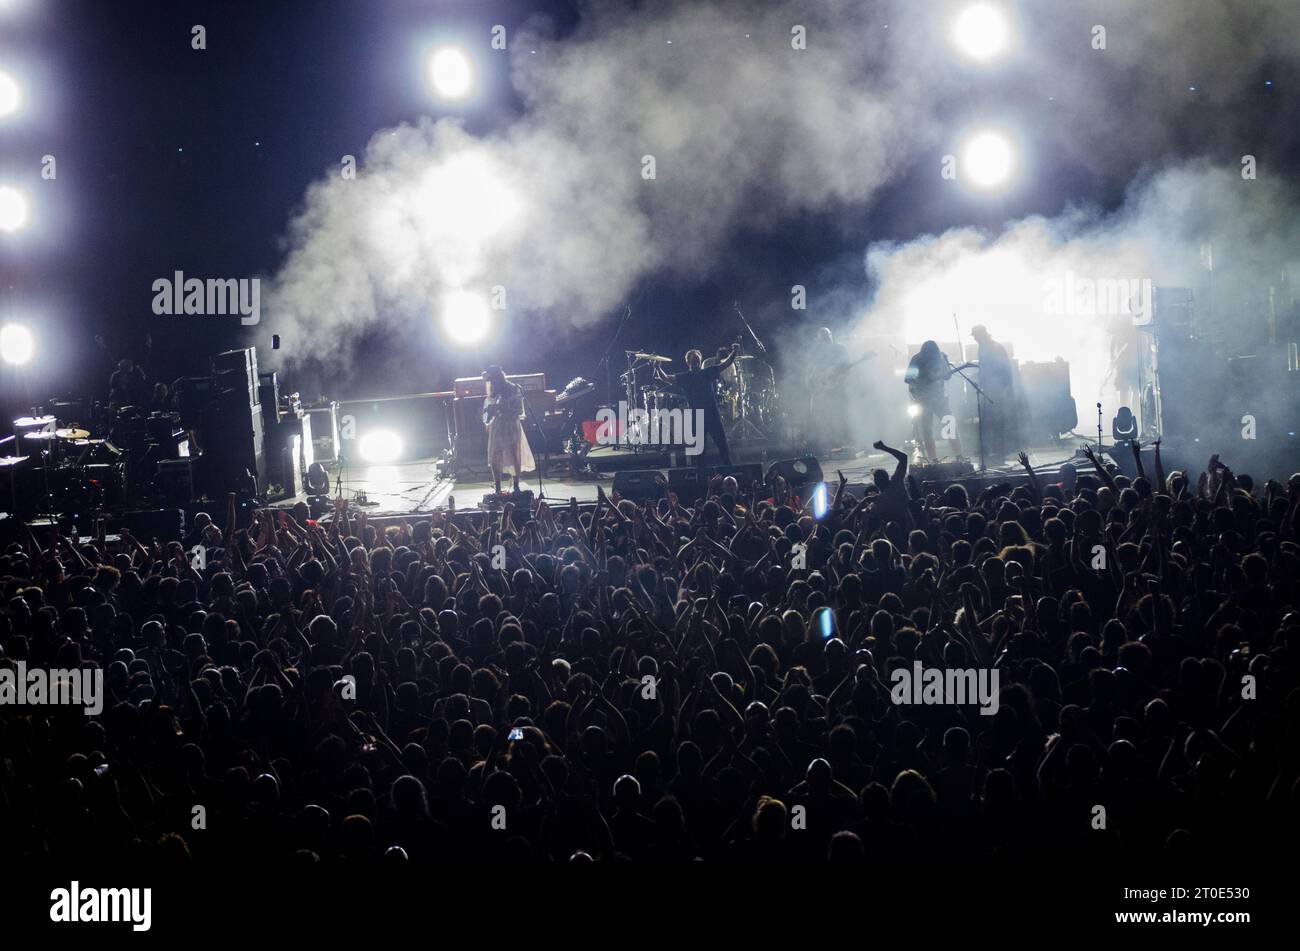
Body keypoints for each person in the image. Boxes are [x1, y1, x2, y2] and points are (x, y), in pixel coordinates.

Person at [655, 344, 738, 466]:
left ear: (700, 360)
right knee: (700, 452)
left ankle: (729, 471)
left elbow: (726, 364)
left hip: (712, 415)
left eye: (697, 359)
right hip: (697, 417)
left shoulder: (707, 372)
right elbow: (666, 378)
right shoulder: (685, 377)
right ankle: (702, 475)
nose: (696, 361)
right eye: (693, 359)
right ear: (688, 362)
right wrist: (658, 368)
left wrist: (734, 351)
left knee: (723, 447)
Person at [904, 340, 963, 463]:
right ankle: (933, 460)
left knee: (950, 425)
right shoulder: (917, 360)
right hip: (923, 399)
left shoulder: (941, 358)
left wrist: (944, 368)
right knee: (927, 431)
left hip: (939, 398)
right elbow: (908, 378)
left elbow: (947, 376)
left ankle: (959, 456)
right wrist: (924, 378)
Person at [481, 365, 535, 496]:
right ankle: (498, 488)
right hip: (497, 425)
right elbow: (487, 413)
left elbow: (519, 411)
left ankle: (516, 486)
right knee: (495, 455)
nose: (490, 382)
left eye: (492, 379)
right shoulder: (492, 389)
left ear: (498, 376)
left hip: (511, 424)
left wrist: (503, 408)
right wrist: (490, 413)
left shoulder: (513, 388)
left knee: (514, 454)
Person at [970, 325, 1017, 461]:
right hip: (990, 389)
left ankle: (1000, 450)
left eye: (975, 335)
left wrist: (1005, 388)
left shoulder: (994, 347)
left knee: (997, 419)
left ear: (981, 334)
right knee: (990, 419)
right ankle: (993, 449)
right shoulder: (983, 347)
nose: (974, 338)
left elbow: (1005, 369)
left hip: (998, 389)